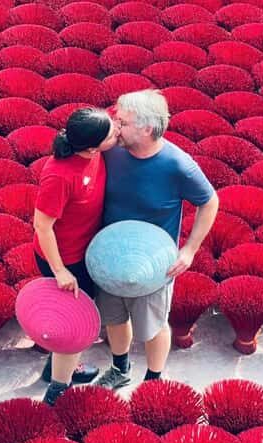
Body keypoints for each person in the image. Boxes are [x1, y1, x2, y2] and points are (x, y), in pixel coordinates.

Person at [95, 89, 219, 389]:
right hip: (108, 256)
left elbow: (209, 201)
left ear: (147, 128)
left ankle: (153, 380)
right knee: (114, 317)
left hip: (154, 264)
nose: (116, 126)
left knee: (152, 326)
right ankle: (119, 368)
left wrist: (189, 250)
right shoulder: (111, 150)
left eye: (122, 122)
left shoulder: (178, 165)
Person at [32, 107, 119, 405]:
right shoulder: (59, 175)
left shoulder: (93, 141)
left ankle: (52, 368)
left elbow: (116, 114)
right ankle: (57, 391)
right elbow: (42, 226)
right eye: (112, 132)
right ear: (93, 146)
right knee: (73, 326)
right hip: (66, 260)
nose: (118, 131)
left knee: (70, 320)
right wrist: (60, 272)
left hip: (86, 252)